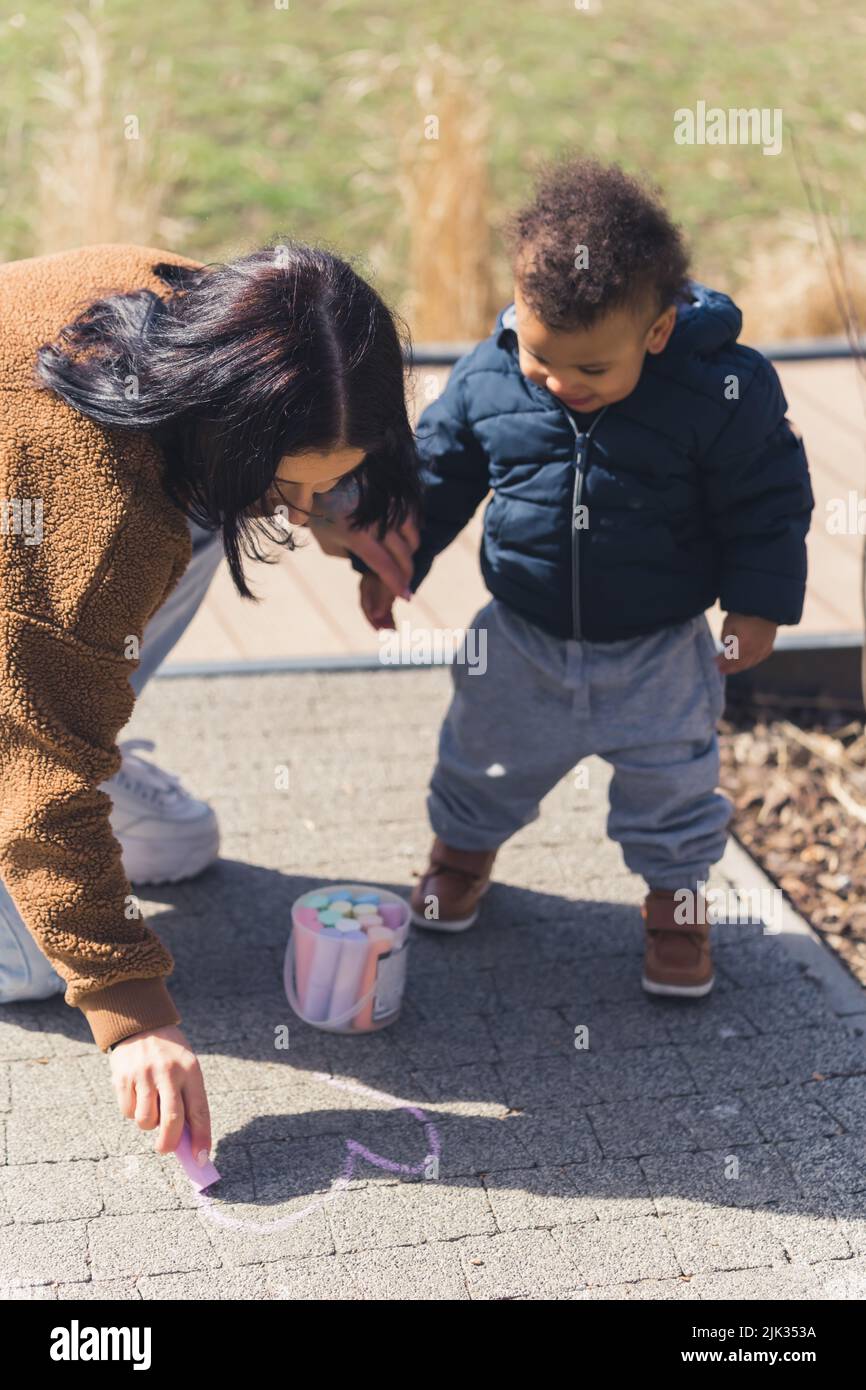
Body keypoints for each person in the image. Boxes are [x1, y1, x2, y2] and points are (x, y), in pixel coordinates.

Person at [0, 239, 420, 1165]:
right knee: (40, 962)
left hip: (31, 597)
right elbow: (38, 783)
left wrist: (350, 501)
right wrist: (133, 1014)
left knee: (178, 844)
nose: (305, 514)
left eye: (326, 480)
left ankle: (68, 741)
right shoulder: (94, 520)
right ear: (239, 418)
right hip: (26, 596)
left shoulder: (216, 318)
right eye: (295, 483)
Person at [358, 157, 814, 994]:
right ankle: (459, 861)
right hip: (520, 637)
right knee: (479, 760)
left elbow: (769, 500)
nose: (562, 383)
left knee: (674, 784)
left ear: (657, 332)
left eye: (591, 371)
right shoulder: (493, 370)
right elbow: (443, 471)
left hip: (659, 648)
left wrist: (758, 605)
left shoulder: (719, 391)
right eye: (541, 357)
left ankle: (675, 903)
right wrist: (398, 559)